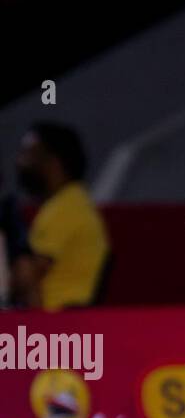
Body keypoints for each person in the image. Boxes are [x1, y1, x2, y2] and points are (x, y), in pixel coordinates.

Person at [10, 122, 111, 311]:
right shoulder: (70, 202)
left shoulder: (66, 208)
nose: (19, 162)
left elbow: (26, 277)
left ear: (53, 163)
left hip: (58, 324)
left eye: (29, 155)